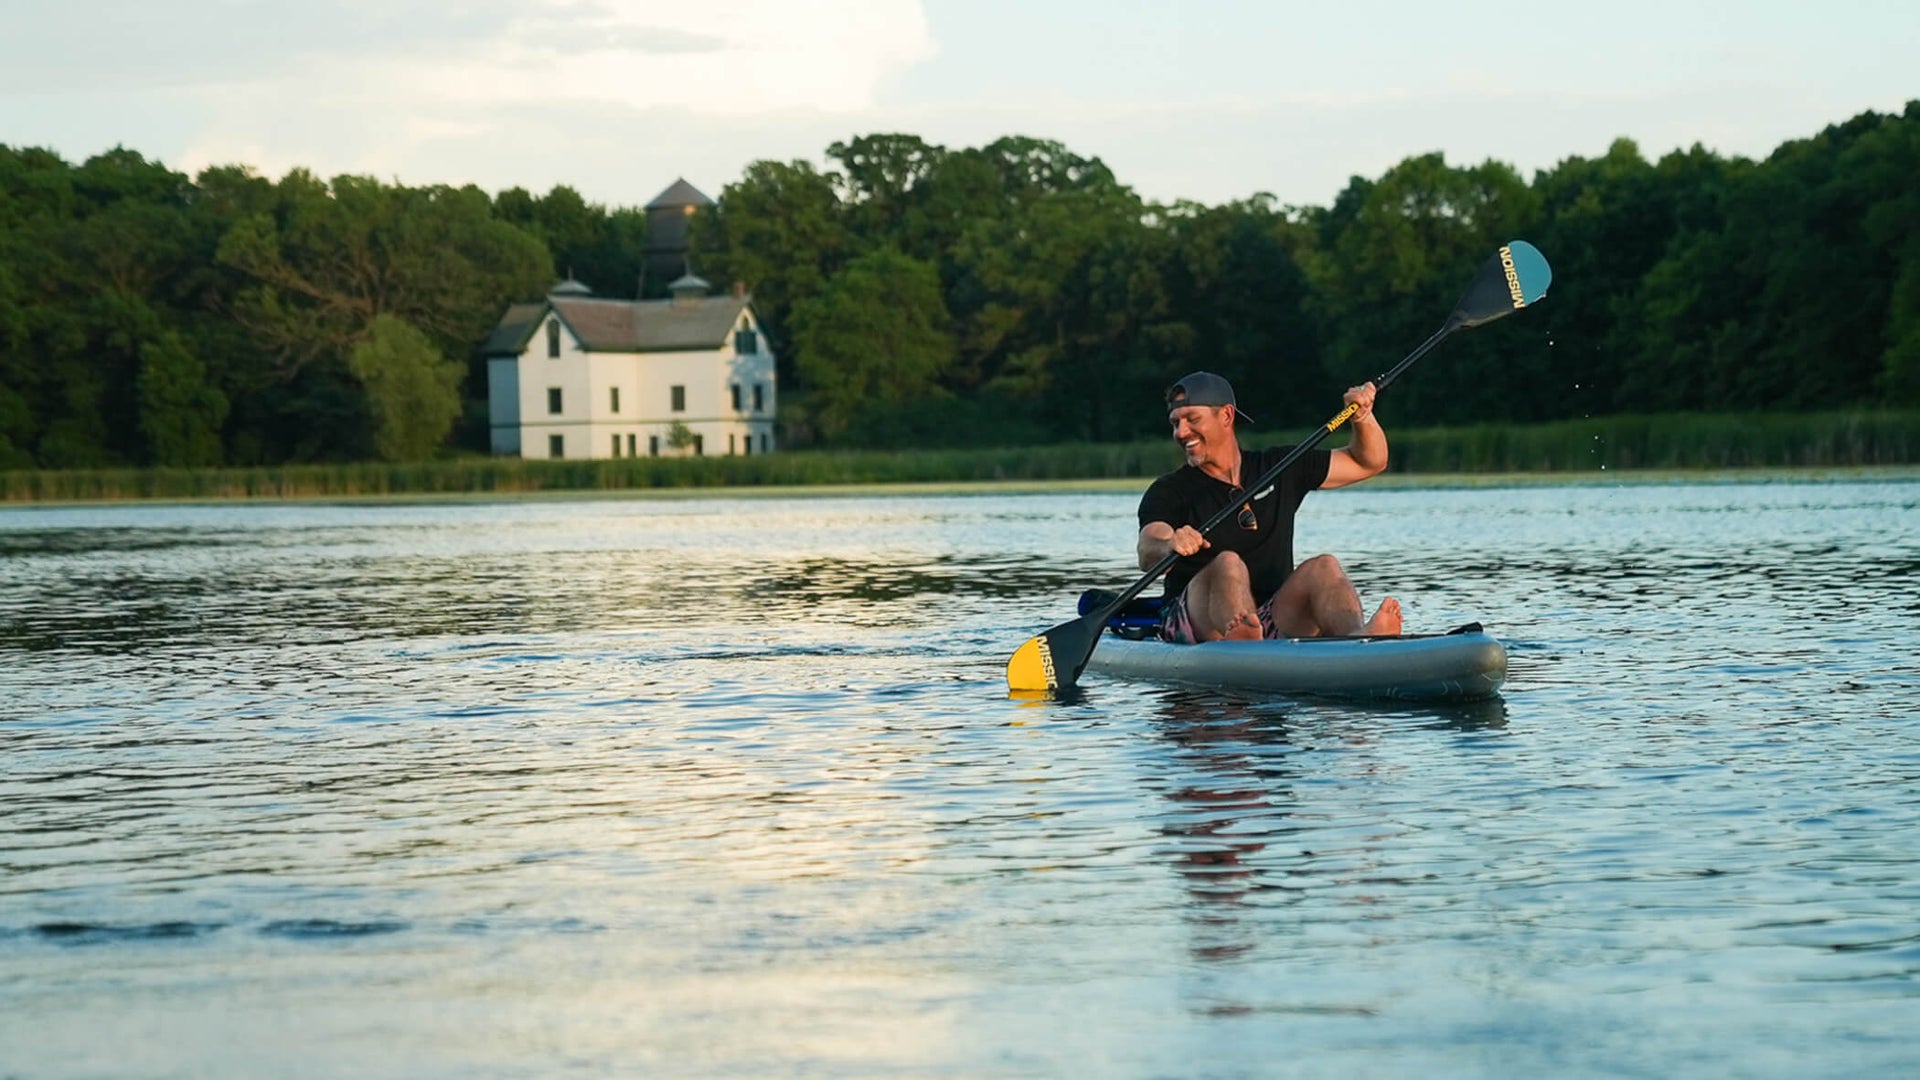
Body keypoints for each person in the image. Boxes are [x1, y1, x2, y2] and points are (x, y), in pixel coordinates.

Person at [1137, 371, 1402, 643]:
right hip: (1194, 621)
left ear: (1226, 416)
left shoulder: (1279, 467)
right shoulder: (1169, 490)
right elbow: (1147, 550)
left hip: (1271, 616)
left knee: (1324, 566)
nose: (1181, 432)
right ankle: (1243, 638)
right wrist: (1169, 544)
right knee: (1228, 563)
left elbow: (1369, 462)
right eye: (1175, 422)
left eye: (1192, 419)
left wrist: (1362, 418)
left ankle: (1358, 641)